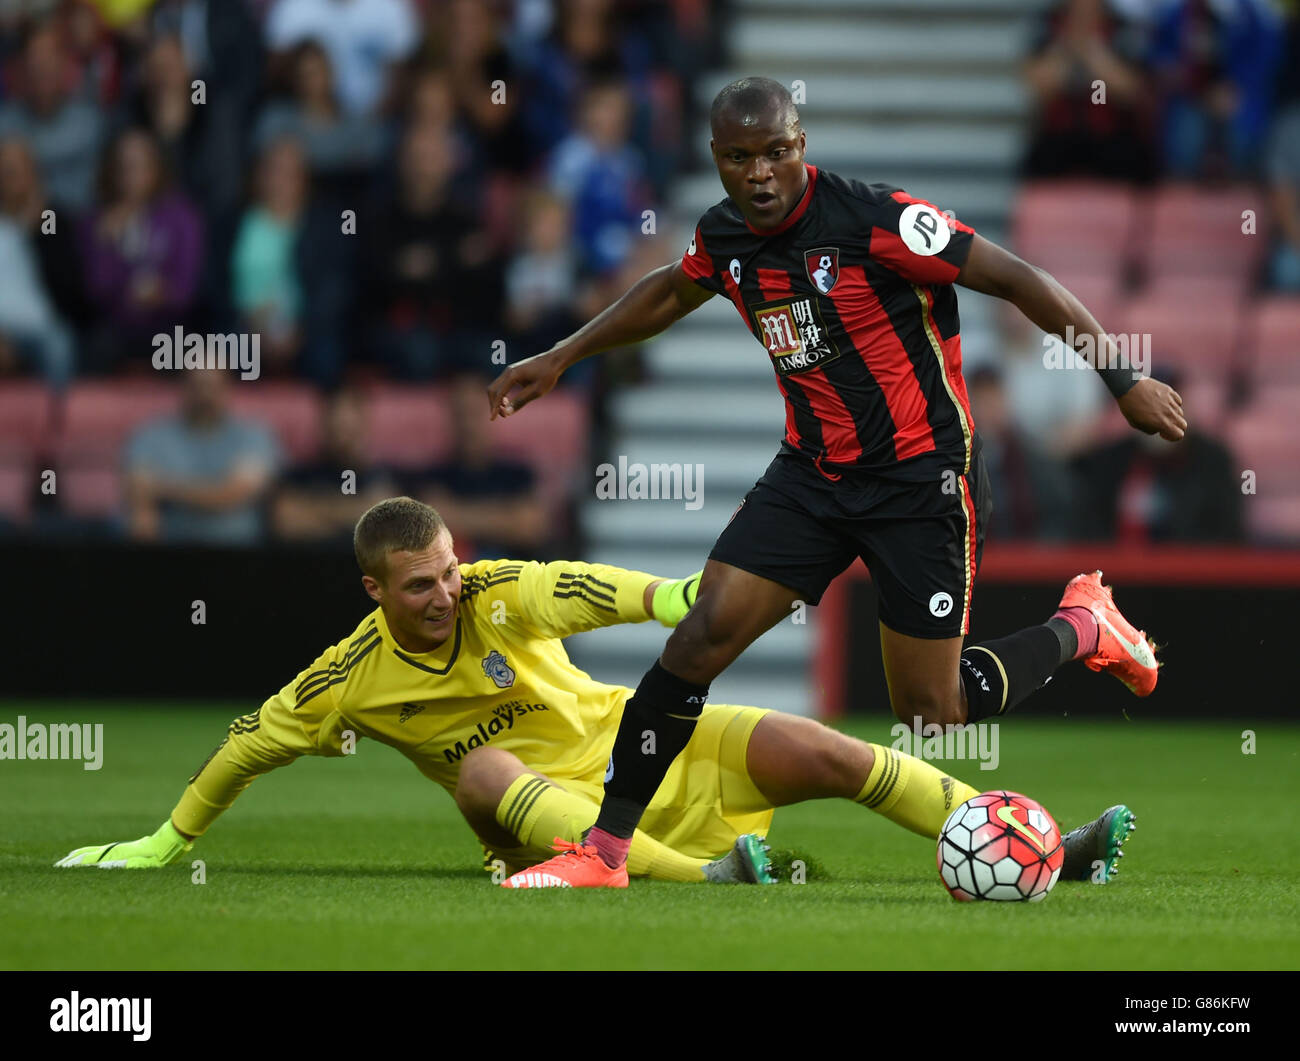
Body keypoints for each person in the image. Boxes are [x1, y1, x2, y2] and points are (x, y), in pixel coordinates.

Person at [486, 76, 1185, 887]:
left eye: (777, 152)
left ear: (801, 148)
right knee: (700, 636)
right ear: (716, 160)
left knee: (933, 713)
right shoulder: (724, 238)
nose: (760, 173)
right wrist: (561, 357)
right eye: (741, 157)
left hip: (923, 481)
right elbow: (670, 290)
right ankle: (604, 852)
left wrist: (1122, 377)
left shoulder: (878, 219)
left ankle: (1084, 626)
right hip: (812, 476)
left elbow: (1020, 278)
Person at [54, 497, 1135, 887]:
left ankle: (1029, 843)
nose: (446, 593)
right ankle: (707, 876)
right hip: (537, 816)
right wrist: (162, 842)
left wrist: (684, 599)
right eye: (420, 584)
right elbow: (249, 742)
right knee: (481, 766)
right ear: (375, 587)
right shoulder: (351, 674)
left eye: (448, 569)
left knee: (825, 748)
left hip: (641, 752)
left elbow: (603, 590)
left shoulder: (498, 588)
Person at [123, 368, 282, 545]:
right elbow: (138, 490)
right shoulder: (150, 435)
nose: (205, 394)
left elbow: (233, 492)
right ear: (182, 387)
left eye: (213, 386)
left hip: (238, 549)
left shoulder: (254, 434)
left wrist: (164, 487)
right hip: (171, 548)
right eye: (197, 386)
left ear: (228, 388)